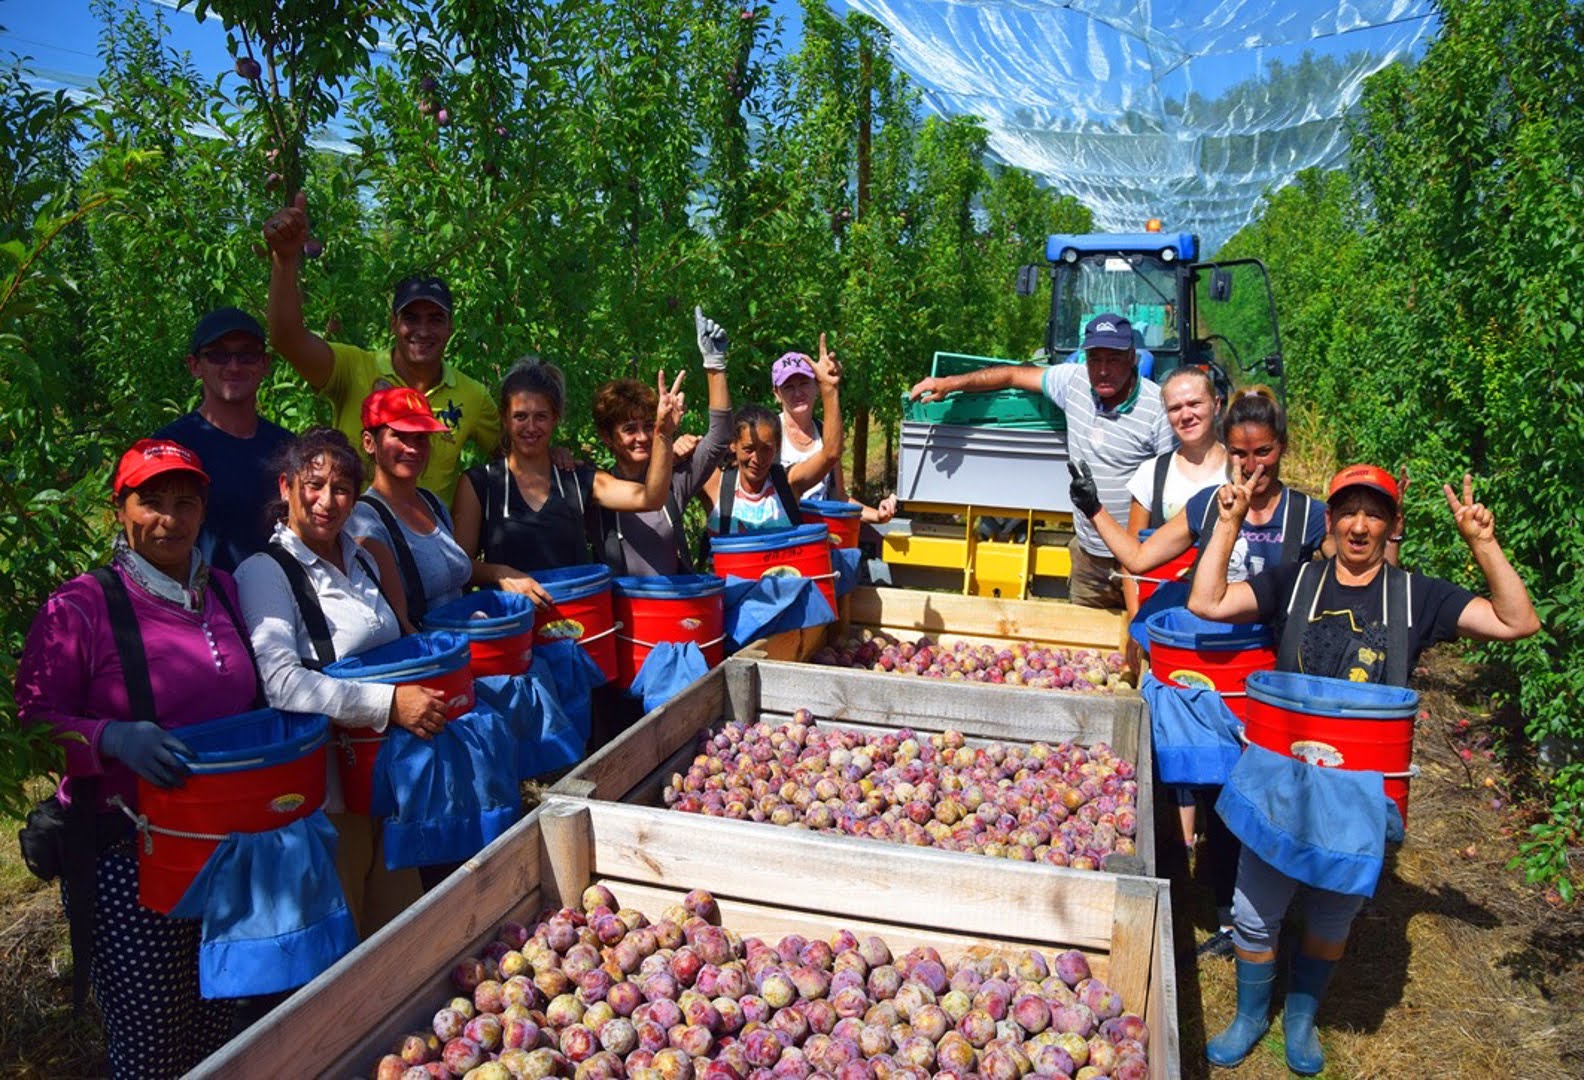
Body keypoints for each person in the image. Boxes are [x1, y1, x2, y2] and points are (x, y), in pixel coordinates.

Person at [1187, 464, 1539, 1074]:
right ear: (1331, 521)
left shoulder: (1416, 596)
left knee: (1330, 912)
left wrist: (1483, 544)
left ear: (1391, 525)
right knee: (1252, 910)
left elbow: (1517, 622)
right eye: (1347, 511)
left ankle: (1300, 1018)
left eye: (1373, 513)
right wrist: (1228, 522)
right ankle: (1249, 1015)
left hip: (1357, 791)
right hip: (1282, 776)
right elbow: (1206, 600)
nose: (1358, 524)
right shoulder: (1296, 582)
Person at [15, 439, 260, 1077]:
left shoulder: (225, 592)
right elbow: (34, 724)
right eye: (151, 502)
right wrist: (112, 739)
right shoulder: (79, 607)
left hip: (222, 847)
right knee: (150, 1046)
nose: (169, 519)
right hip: (128, 858)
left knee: (220, 1025)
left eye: (185, 503)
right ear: (118, 510)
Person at [1072, 384, 1327, 951]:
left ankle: (1270, 913)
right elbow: (1140, 559)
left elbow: (1353, 580)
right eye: (1239, 453)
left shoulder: (1308, 515)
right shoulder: (1209, 504)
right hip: (1208, 675)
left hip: (1269, 677)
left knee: (1264, 796)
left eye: (1262, 453)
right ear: (1227, 448)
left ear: (1281, 448)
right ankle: (1220, 909)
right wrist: (1092, 507)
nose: (1251, 465)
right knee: (1210, 791)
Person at [235, 428, 447, 939]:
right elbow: (282, 683)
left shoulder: (363, 559)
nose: (327, 501)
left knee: (399, 924)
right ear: (286, 486)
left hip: (390, 774)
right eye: (313, 484)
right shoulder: (266, 572)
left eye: (342, 488)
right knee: (344, 925)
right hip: (332, 784)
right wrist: (389, 704)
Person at [910, 313, 1174, 609]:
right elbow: (1012, 375)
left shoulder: (1158, 408)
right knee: (1088, 646)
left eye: (1113, 359)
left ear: (1132, 358)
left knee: (1142, 642)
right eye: (1094, 359)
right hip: (1089, 555)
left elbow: (1169, 490)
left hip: (1140, 558)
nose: (1102, 370)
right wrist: (950, 383)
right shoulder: (1073, 384)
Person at [262, 192, 497, 503]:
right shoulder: (352, 367)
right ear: (392, 323)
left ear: (450, 327)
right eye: (410, 318)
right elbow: (286, 339)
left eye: (435, 319)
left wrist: (558, 458)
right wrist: (285, 260)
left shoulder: (473, 395)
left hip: (424, 543)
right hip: (351, 541)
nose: (422, 330)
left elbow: (515, 452)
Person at [452, 360, 685, 591]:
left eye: (541, 417)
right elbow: (459, 567)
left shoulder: (577, 478)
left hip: (576, 620)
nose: (531, 427)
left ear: (555, 418)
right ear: (504, 418)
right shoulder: (480, 484)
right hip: (515, 624)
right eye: (520, 416)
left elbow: (650, 499)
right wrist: (499, 573)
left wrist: (663, 435)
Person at [588, 307, 734, 575]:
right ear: (607, 437)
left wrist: (714, 363)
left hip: (672, 611)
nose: (642, 437)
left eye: (648, 426)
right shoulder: (595, 489)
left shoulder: (673, 481)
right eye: (629, 429)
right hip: (622, 614)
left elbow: (721, 436)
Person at [153, 307, 294, 572]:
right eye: (217, 355)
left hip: (284, 602)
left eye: (247, 354)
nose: (234, 365)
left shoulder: (290, 448)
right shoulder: (169, 449)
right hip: (203, 605)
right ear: (194, 365)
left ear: (265, 364)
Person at [346, 387, 472, 626]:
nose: (413, 448)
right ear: (369, 443)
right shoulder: (365, 520)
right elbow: (395, 622)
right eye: (400, 436)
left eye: (421, 437)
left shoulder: (433, 503)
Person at [702, 342, 844, 535]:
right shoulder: (715, 485)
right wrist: (675, 445)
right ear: (733, 445)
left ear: (778, 447)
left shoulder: (789, 485)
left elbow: (831, 453)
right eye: (749, 449)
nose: (757, 459)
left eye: (766, 449)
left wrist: (829, 389)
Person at [773, 343, 897, 526]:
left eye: (804, 383)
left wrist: (878, 515)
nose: (798, 392)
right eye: (789, 387)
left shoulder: (827, 436)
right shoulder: (770, 433)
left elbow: (839, 498)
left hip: (817, 535)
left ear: (816, 386)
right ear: (776, 393)